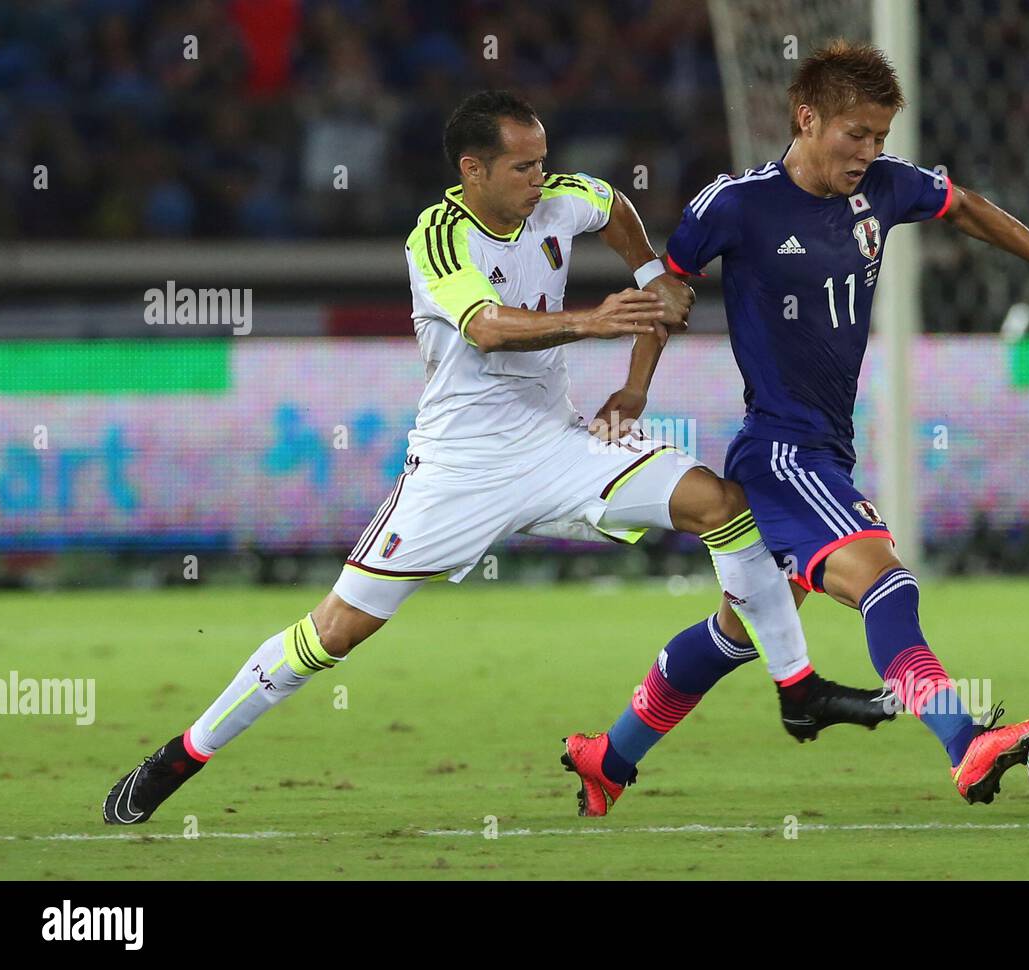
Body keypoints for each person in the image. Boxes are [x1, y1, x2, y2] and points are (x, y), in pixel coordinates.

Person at [102, 90, 893, 826]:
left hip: (557, 443)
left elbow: (614, 206)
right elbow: (483, 328)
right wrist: (595, 323)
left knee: (721, 504)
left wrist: (650, 272)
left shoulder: (559, 198)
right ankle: (184, 754)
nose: (539, 177)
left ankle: (797, 689)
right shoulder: (436, 236)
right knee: (334, 632)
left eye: (542, 160)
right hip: (459, 468)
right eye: (522, 166)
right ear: (472, 170)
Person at [574, 41, 1029, 805]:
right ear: (807, 117)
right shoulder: (735, 205)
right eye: (854, 135)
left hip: (826, 445)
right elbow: (664, 292)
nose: (868, 153)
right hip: (780, 451)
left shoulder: (886, 191)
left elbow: (962, 204)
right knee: (885, 582)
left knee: (740, 631)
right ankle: (966, 744)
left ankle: (611, 756)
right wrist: (634, 388)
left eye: (880, 138)